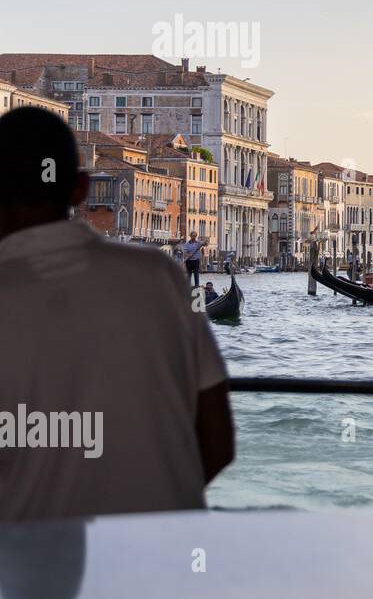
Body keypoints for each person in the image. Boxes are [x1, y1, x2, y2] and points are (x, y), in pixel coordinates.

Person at [0, 108, 234, 522]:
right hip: (163, 543)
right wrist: (154, 506)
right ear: (81, 190)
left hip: (32, 551)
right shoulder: (160, 274)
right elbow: (218, 441)